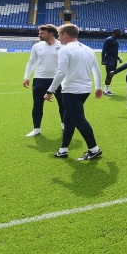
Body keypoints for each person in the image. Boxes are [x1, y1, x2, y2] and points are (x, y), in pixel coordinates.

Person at [45, 24, 104, 161]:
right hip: (85, 89)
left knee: (78, 119)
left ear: (65, 34)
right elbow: (97, 69)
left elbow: (61, 72)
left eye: (59, 35)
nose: (59, 38)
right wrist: (99, 87)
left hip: (71, 90)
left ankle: (94, 149)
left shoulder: (65, 50)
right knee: (68, 119)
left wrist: (50, 91)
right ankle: (63, 150)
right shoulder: (88, 49)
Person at [22, 24, 65, 137]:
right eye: (39, 33)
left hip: (58, 80)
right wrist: (26, 77)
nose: (39, 35)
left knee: (63, 104)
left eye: (42, 33)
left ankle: (64, 124)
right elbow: (31, 62)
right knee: (37, 104)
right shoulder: (37, 46)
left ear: (51, 33)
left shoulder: (62, 45)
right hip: (39, 79)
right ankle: (36, 128)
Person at [101, 28, 122, 96]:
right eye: (119, 32)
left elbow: (114, 52)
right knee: (109, 75)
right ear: (115, 33)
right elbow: (104, 50)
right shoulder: (108, 40)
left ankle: (106, 90)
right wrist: (103, 60)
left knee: (111, 75)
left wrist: (118, 58)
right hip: (109, 60)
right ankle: (106, 91)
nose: (120, 34)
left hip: (114, 59)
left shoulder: (115, 40)